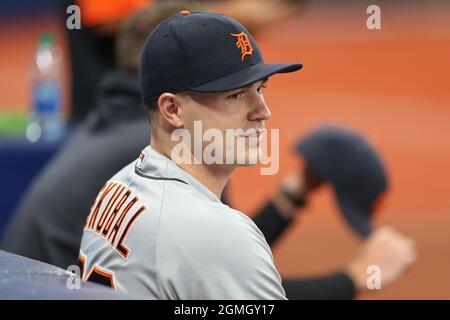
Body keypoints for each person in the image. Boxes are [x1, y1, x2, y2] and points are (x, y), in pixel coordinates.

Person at [2, 3, 415, 299]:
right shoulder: (213, 230)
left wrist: (291, 195)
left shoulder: (125, 179)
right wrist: (356, 275)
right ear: (172, 109)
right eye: (235, 95)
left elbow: (207, 263)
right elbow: (219, 250)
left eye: (260, 89)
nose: (263, 112)